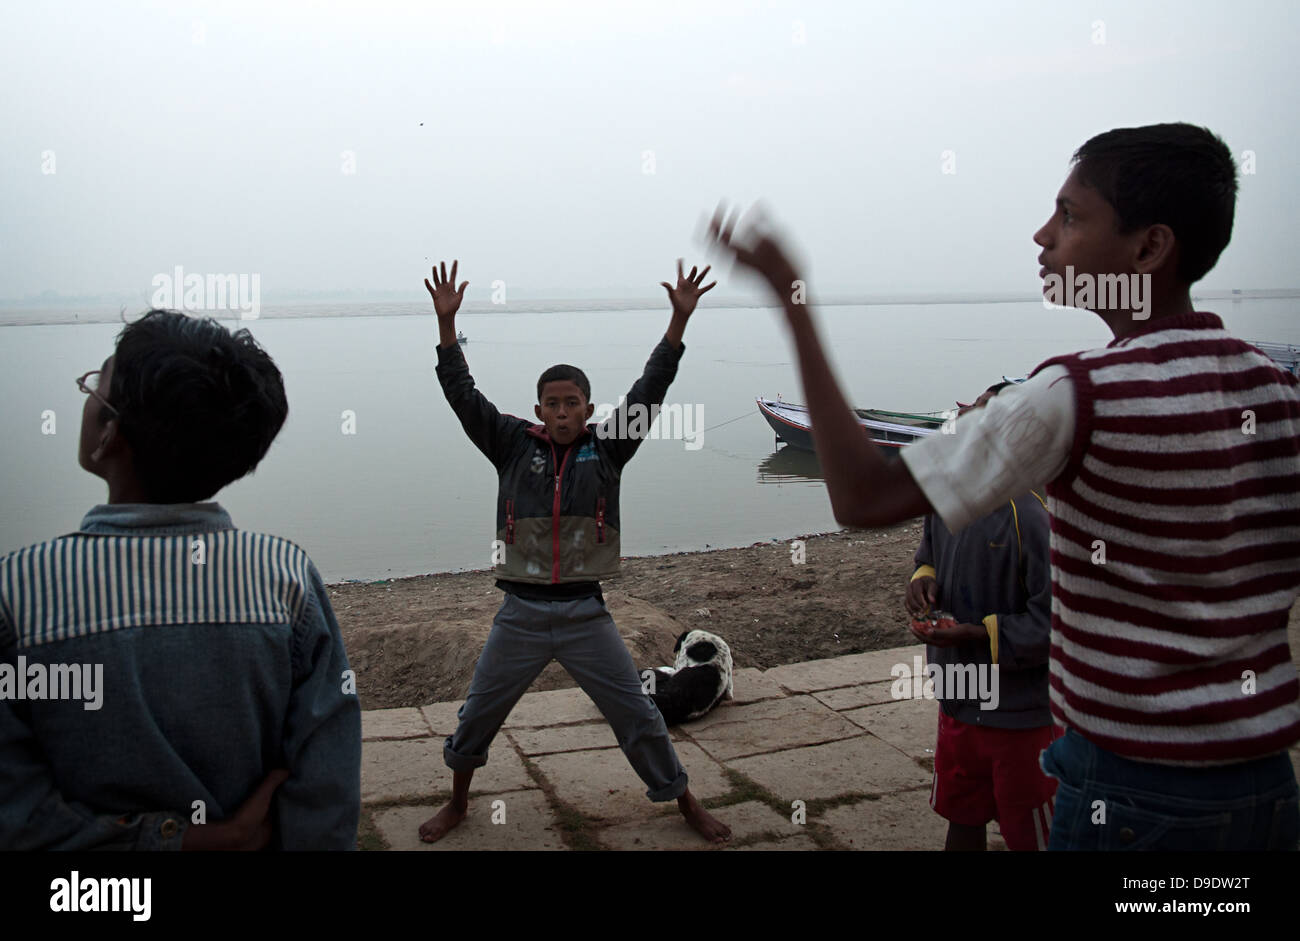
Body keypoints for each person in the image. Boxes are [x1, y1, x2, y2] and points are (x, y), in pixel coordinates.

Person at [707, 122, 1300, 851]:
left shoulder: (1074, 394)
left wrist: (793, 305)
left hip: (1130, 787)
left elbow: (861, 497)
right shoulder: (1274, 387)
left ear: (1150, 247)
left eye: (1071, 216)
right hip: (1266, 785)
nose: (1041, 236)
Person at [0, 310, 361, 850]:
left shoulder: (22, 592)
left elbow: (17, 816)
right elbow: (324, 790)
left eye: (96, 385)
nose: (87, 397)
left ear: (110, 433)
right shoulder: (285, 581)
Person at [418, 259, 731, 844]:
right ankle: (457, 802)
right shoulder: (509, 444)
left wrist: (677, 323)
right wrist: (446, 329)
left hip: (587, 612)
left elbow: (651, 388)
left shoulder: (609, 449)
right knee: (476, 719)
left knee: (638, 719)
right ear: (538, 410)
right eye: (552, 404)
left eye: (573, 403)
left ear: (588, 408)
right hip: (521, 614)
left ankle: (684, 801)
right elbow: (462, 394)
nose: (562, 413)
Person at [906, 382, 1058, 851]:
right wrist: (922, 581)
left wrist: (977, 633)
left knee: (1030, 831)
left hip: (1019, 715)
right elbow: (927, 553)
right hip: (958, 701)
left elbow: (1054, 621)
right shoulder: (948, 497)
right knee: (962, 815)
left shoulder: (1033, 517)